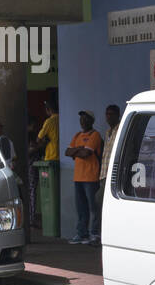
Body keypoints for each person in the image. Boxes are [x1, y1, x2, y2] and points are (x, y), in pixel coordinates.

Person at [65, 110, 104, 245]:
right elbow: (67, 152)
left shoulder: (95, 135)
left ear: (91, 121)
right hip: (78, 177)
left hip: (91, 177)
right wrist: (78, 149)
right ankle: (82, 234)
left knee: (94, 207)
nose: (82, 121)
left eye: (85, 118)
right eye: (81, 119)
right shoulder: (77, 135)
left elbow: (86, 153)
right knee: (81, 208)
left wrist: (77, 150)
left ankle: (94, 233)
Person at [92, 103, 122, 239]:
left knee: (99, 200)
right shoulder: (107, 132)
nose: (108, 117)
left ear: (117, 115)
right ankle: (102, 234)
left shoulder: (119, 130)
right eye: (107, 114)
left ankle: (102, 235)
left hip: (112, 174)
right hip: (103, 173)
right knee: (100, 203)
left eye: (111, 114)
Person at [30, 96, 60, 229]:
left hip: (50, 158)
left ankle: (40, 221)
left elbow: (38, 139)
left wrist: (41, 143)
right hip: (61, 159)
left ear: (48, 110)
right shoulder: (63, 118)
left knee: (46, 195)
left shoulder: (49, 121)